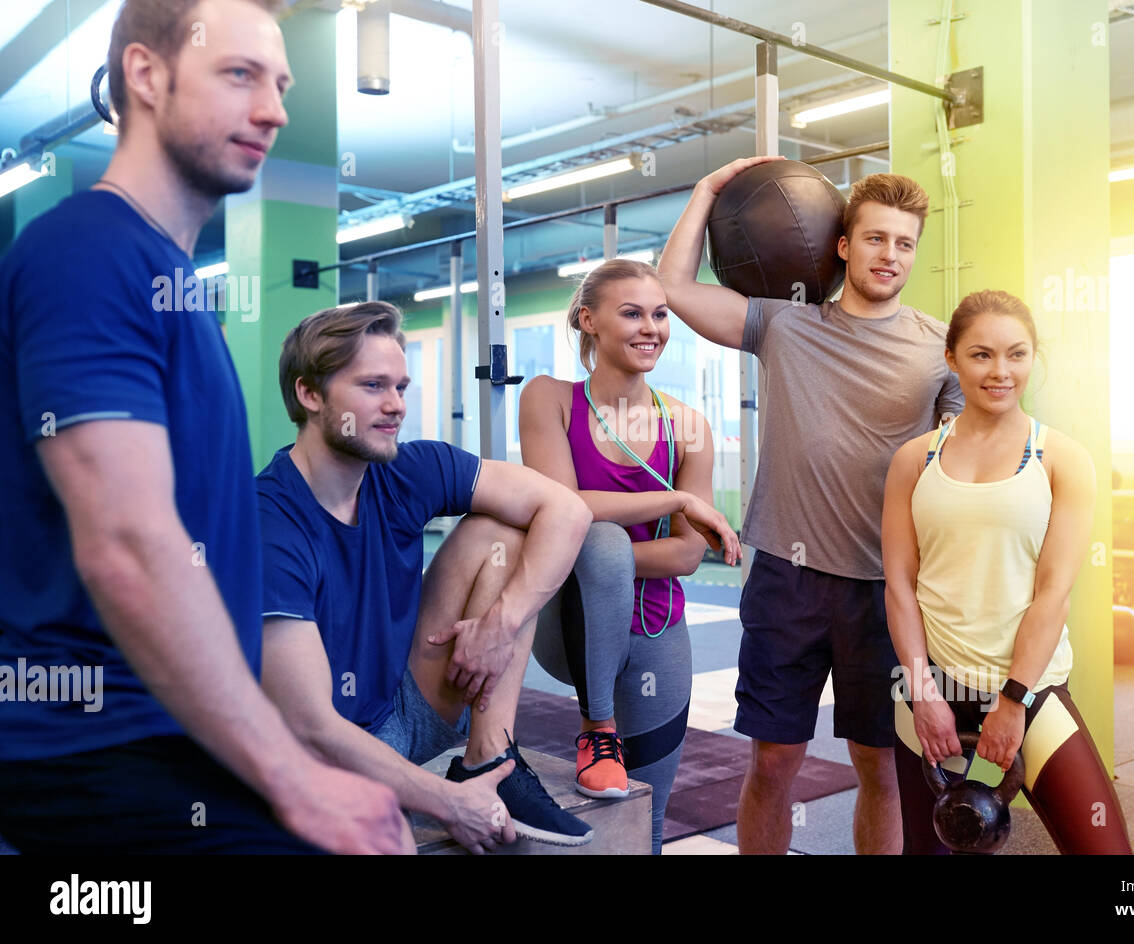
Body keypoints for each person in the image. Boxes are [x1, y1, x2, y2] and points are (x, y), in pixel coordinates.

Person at [0, 0, 410, 853]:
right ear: (147, 75)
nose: (275, 109)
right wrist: (295, 776)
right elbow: (128, 545)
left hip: (172, 737)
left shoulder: (175, 284)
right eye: (240, 75)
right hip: (98, 753)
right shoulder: (87, 252)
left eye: (282, 83)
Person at [658, 159, 963, 854]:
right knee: (773, 762)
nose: (891, 255)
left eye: (905, 243)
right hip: (786, 581)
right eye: (877, 238)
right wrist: (705, 190)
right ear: (845, 246)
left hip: (885, 590)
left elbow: (969, 459)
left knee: (880, 766)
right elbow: (674, 287)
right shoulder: (784, 325)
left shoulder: (936, 348)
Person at [257, 301, 595, 851]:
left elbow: (567, 510)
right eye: (372, 386)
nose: (396, 407)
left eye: (401, 387)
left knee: (503, 535)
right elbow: (310, 726)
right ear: (310, 395)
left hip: (402, 706)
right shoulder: (267, 523)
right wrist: (443, 804)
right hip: (321, 755)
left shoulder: (407, 468)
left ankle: (490, 756)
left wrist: (499, 626)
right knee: (395, 844)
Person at [881, 289, 1133, 855]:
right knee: (929, 852)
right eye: (981, 355)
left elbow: (1054, 591)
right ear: (952, 359)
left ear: (1033, 358)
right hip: (929, 692)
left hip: (1027, 692)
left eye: (1016, 355)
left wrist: (1012, 701)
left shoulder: (1061, 459)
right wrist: (922, 693)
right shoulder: (913, 460)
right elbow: (899, 584)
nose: (1001, 371)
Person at [519, 259, 741, 854]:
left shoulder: (688, 425)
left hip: (654, 628)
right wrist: (672, 499)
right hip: (569, 624)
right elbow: (561, 506)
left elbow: (687, 555)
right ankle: (596, 727)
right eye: (632, 313)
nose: (652, 328)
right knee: (600, 538)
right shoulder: (550, 399)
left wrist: (603, 567)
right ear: (588, 320)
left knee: (650, 819)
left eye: (661, 314)